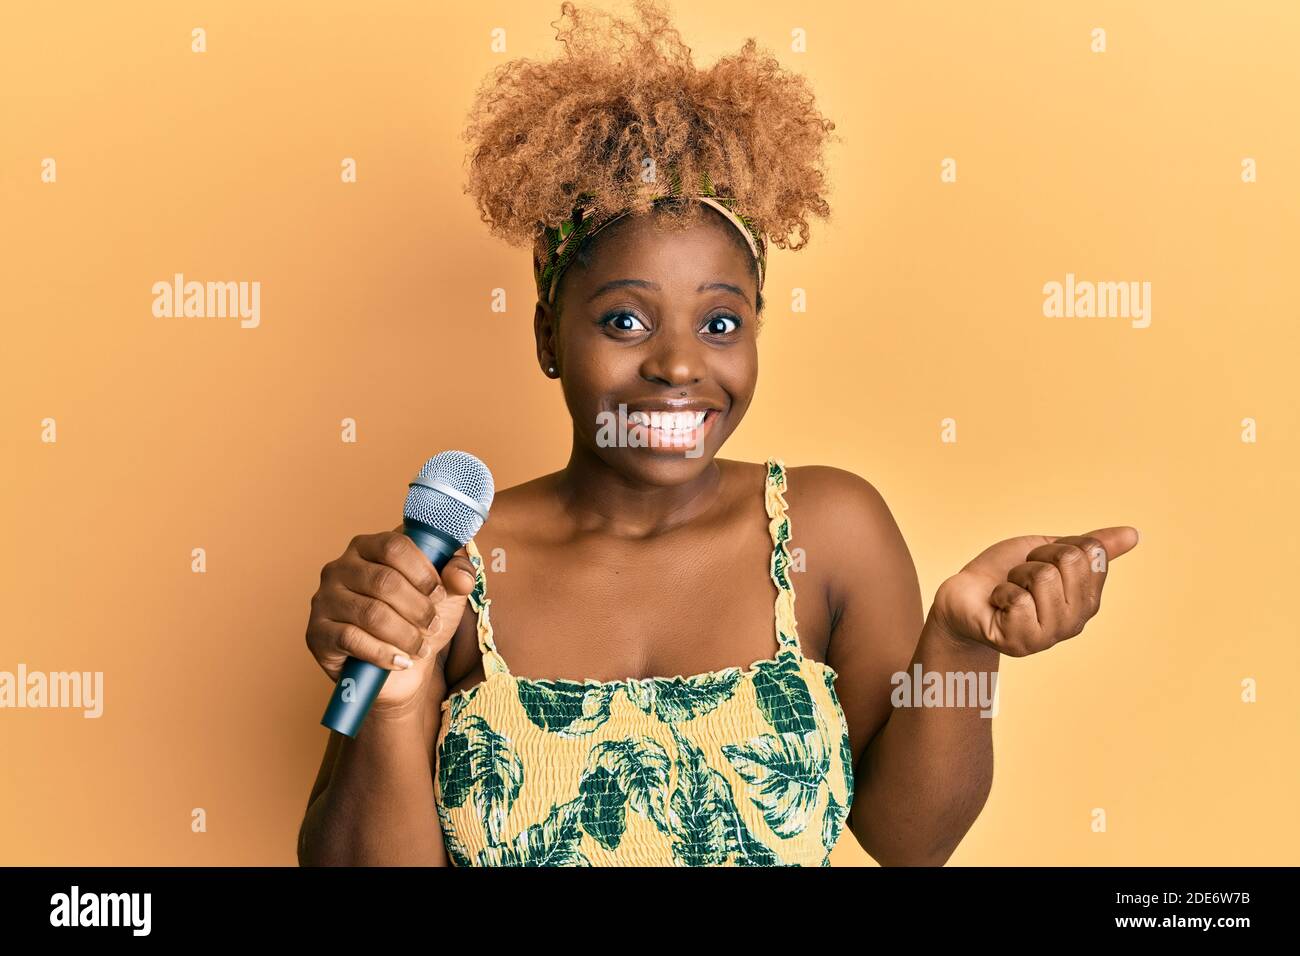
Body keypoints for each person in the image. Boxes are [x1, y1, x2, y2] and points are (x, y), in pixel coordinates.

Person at [297, 0, 1139, 866]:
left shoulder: (828, 530)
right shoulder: (451, 571)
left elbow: (907, 842)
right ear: (548, 336)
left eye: (721, 324)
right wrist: (395, 706)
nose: (677, 366)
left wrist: (962, 644)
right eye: (624, 321)